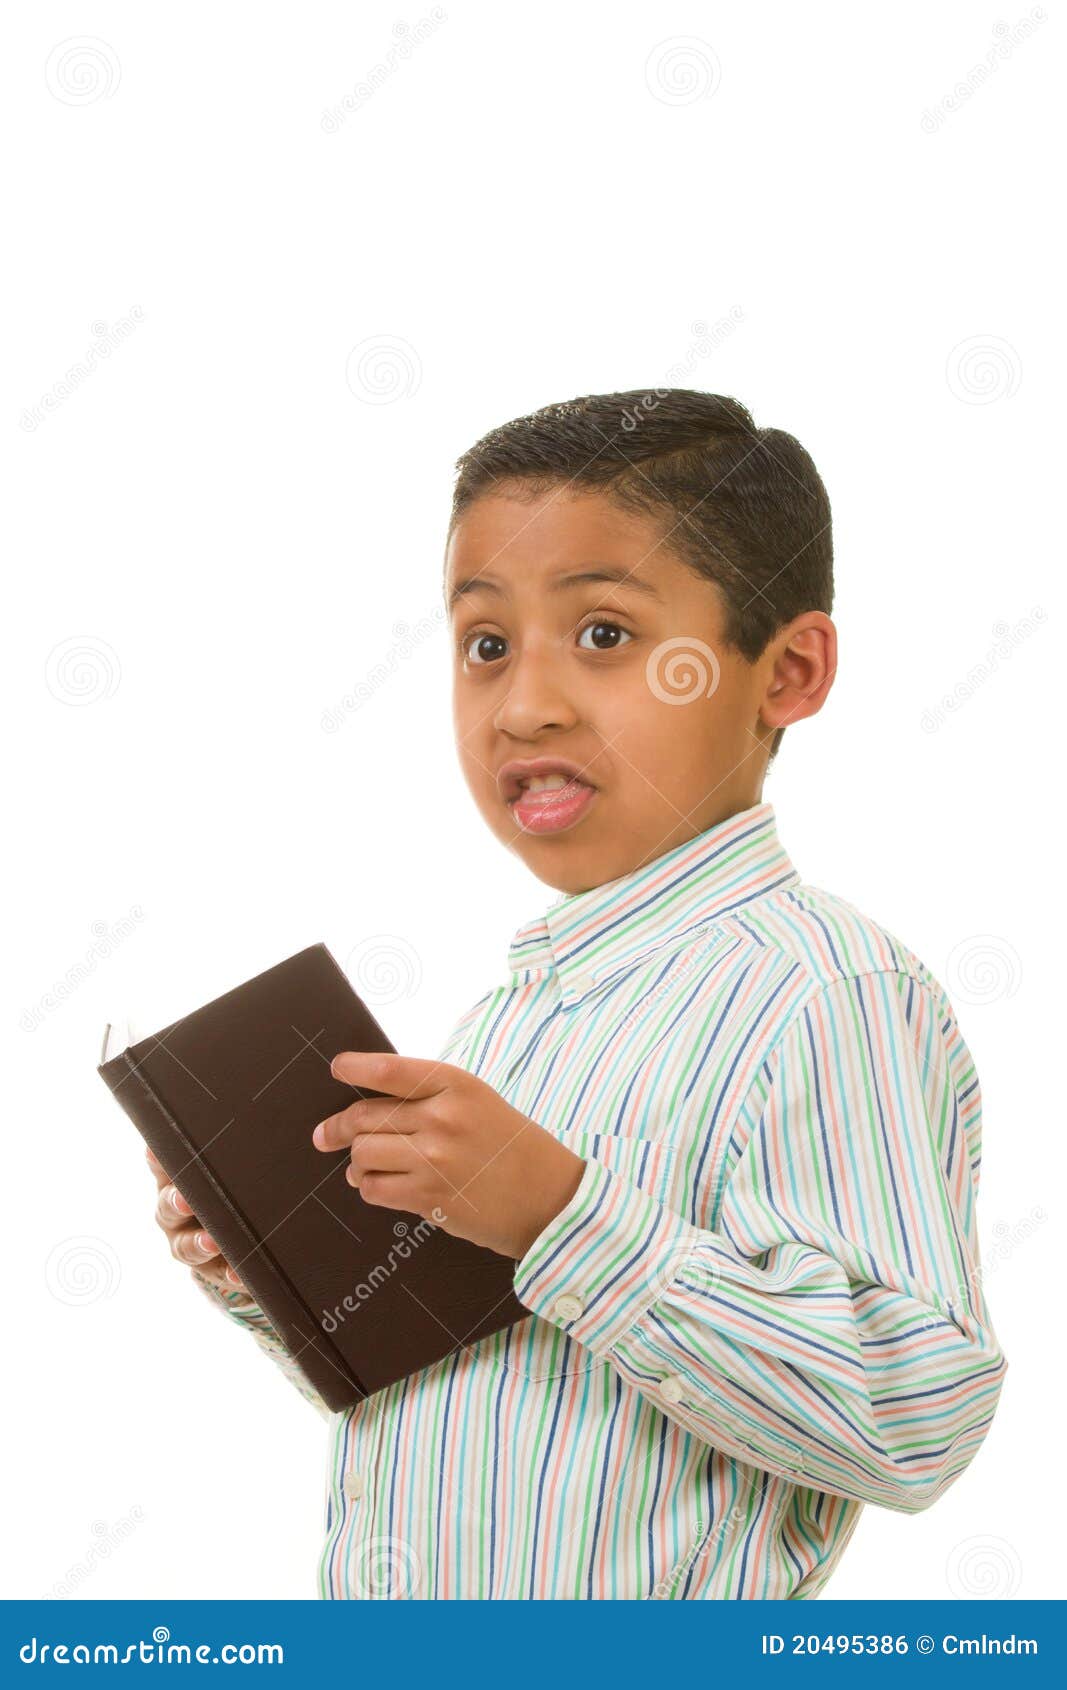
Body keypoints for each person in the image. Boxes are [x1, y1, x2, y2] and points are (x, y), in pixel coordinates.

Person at [150, 390, 1007, 1600]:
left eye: (603, 633)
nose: (523, 704)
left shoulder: (827, 992)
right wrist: (276, 1270)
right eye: (484, 644)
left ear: (790, 669)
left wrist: (560, 1215)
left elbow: (912, 1418)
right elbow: (468, 1416)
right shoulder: (505, 1024)